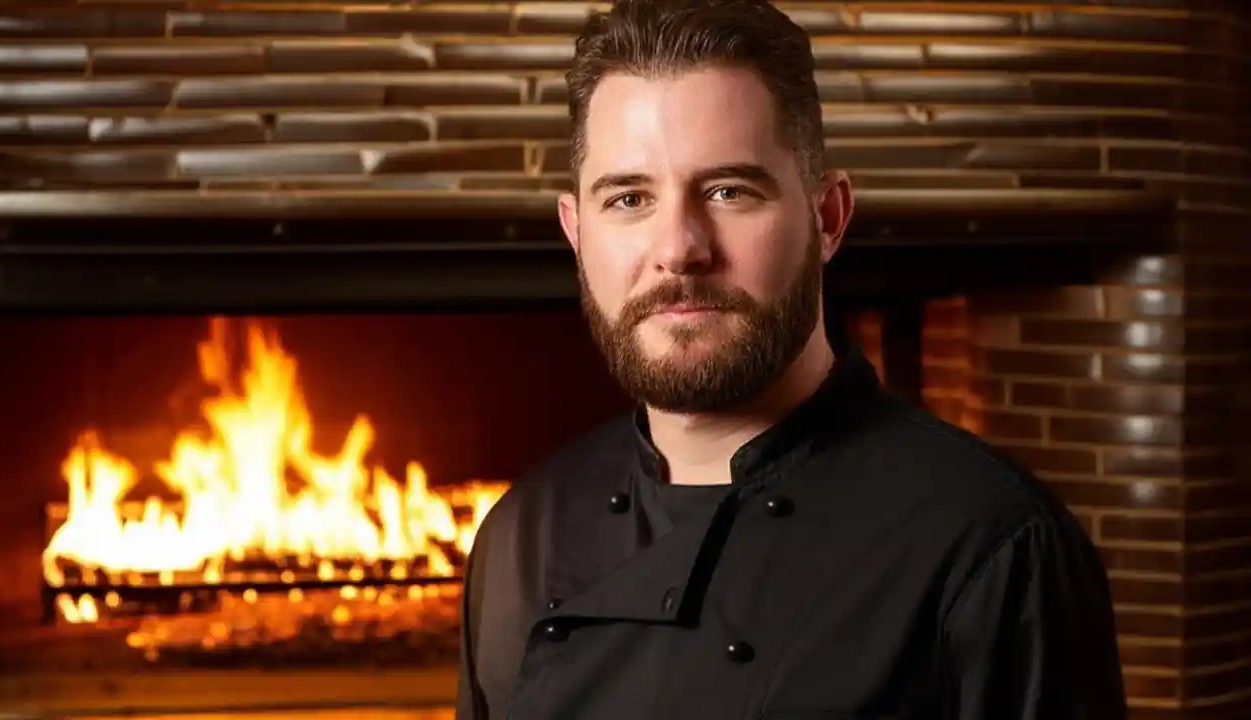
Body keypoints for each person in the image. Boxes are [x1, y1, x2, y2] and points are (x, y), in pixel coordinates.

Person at [456, 1, 1127, 718]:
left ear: (828, 218)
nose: (680, 247)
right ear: (577, 232)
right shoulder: (520, 535)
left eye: (728, 191)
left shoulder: (995, 544)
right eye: (628, 198)